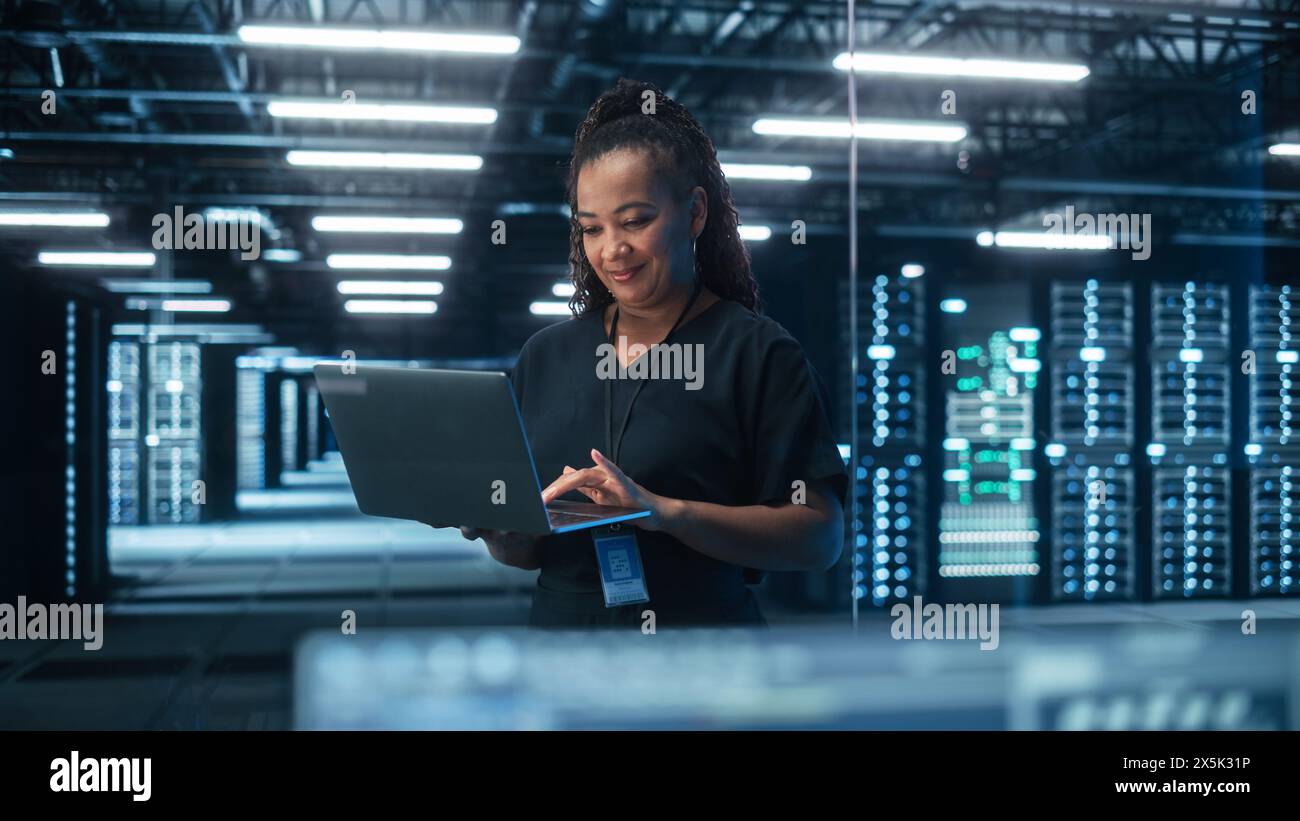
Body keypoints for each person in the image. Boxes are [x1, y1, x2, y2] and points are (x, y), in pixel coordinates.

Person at [462, 78, 848, 629]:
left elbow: (820, 537)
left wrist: (661, 513)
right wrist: (503, 531)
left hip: (702, 651)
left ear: (694, 213)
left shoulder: (756, 354)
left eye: (636, 221)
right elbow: (526, 555)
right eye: (591, 229)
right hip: (565, 650)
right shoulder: (547, 357)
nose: (612, 249)